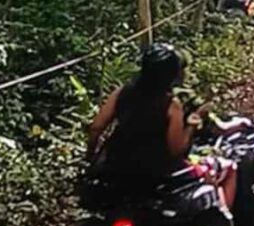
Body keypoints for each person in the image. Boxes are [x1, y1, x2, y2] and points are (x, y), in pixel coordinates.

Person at [87, 43, 238, 208]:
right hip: (157, 174)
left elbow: (96, 128)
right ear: (171, 75)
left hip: (117, 167)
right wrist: (192, 123)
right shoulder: (171, 105)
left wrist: (91, 156)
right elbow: (177, 149)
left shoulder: (122, 92)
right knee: (228, 168)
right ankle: (223, 221)